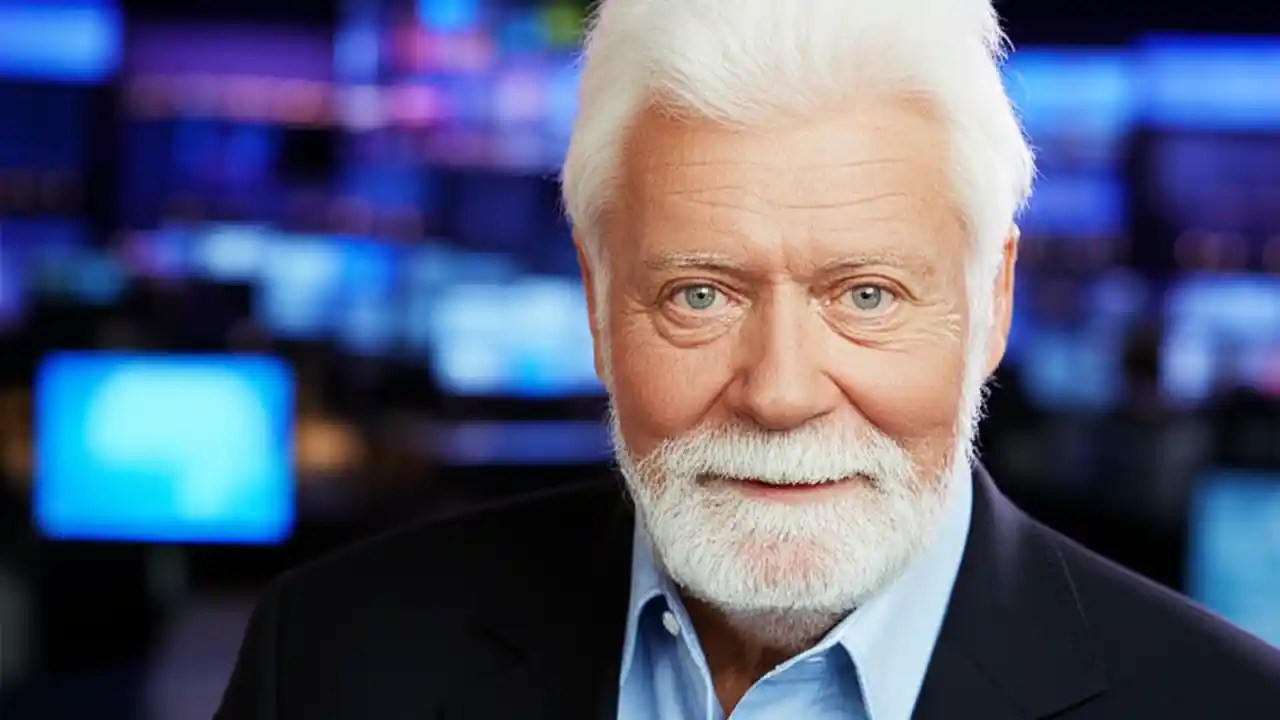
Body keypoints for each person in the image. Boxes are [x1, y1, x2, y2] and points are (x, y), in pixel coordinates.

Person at [216, 0, 1280, 717]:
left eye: (863, 295)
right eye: (698, 295)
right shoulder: (326, 663)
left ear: (989, 301)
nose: (778, 393)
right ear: (595, 299)